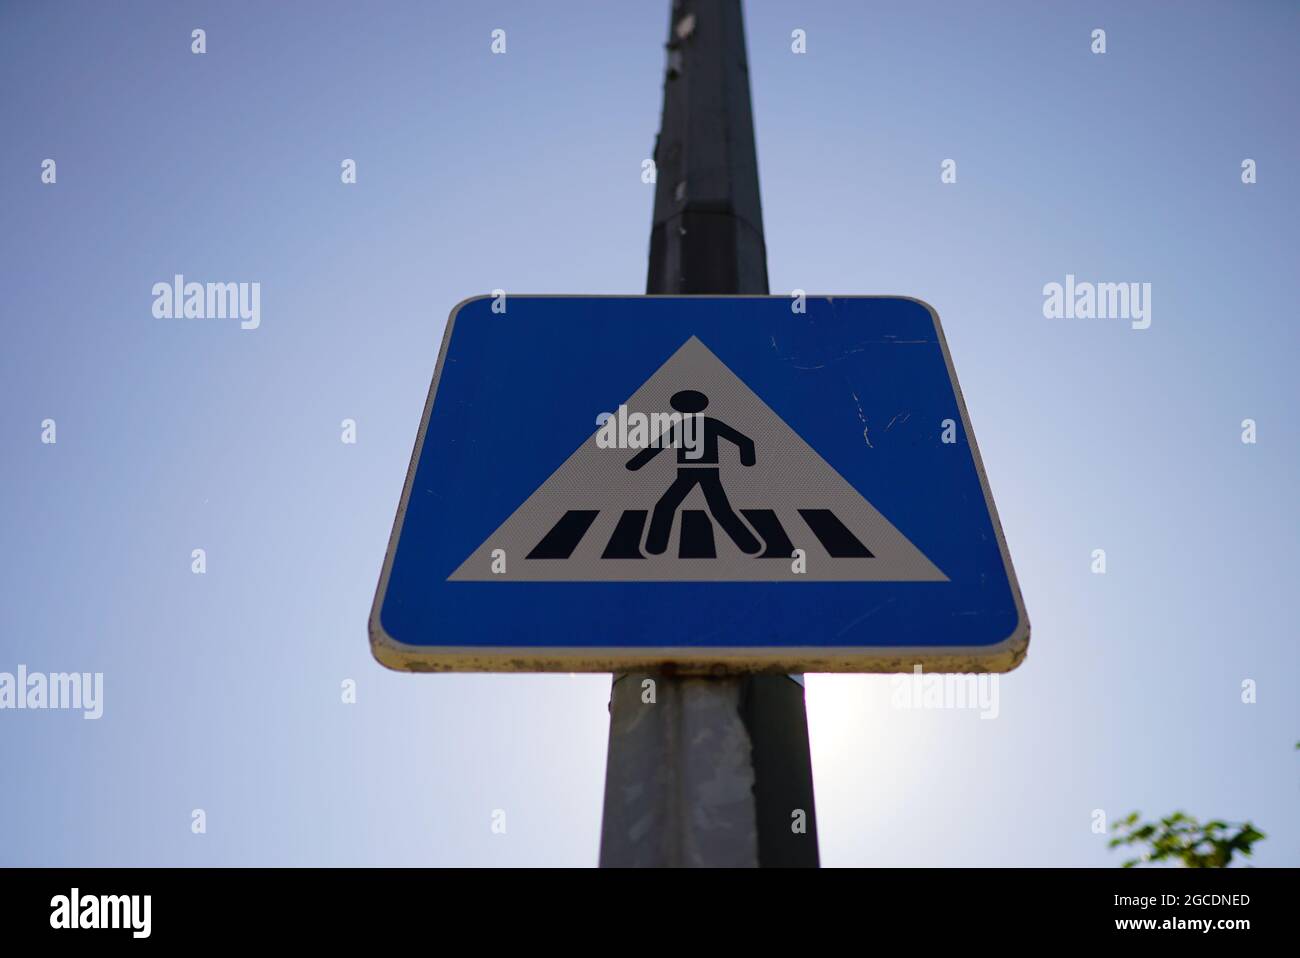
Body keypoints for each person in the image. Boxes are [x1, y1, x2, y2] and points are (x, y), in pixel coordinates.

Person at [626, 390, 762, 555]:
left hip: (691, 472)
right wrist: (747, 461)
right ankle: (750, 545)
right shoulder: (710, 423)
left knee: (666, 506)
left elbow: (656, 447)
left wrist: (635, 464)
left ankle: (655, 547)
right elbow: (745, 442)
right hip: (704, 472)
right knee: (718, 510)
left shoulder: (682, 426)